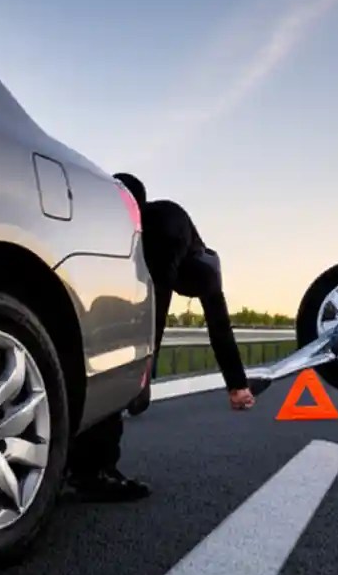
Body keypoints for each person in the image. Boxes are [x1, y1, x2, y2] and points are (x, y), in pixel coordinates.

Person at [61, 173, 253, 502]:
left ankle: (77, 464)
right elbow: (162, 299)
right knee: (115, 362)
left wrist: (236, 383)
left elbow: (179, 306)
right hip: (131, 260)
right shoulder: (175, 230)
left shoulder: (159, 232)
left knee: (101, 356)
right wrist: (145, 372)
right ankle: (90, 470)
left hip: (103, 263)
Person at [113, 172, 256, 413]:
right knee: (216, 321)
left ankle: (142, 383)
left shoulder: (155, 226)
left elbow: (157, 305)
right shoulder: (159, 222)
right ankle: (238, 388)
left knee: (155, 305)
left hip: (181, 251)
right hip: (191, 253)